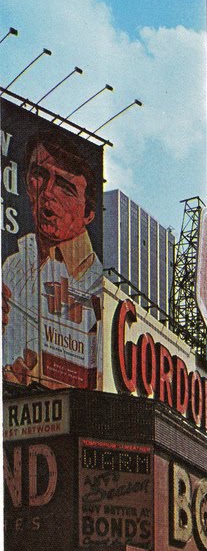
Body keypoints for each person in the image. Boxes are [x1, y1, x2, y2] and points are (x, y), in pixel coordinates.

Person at [2, 132, 103, 387]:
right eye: (39, 175)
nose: (47, 193)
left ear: (88, 212)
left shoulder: (95, 286)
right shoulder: (14, 263)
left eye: (65, 187)